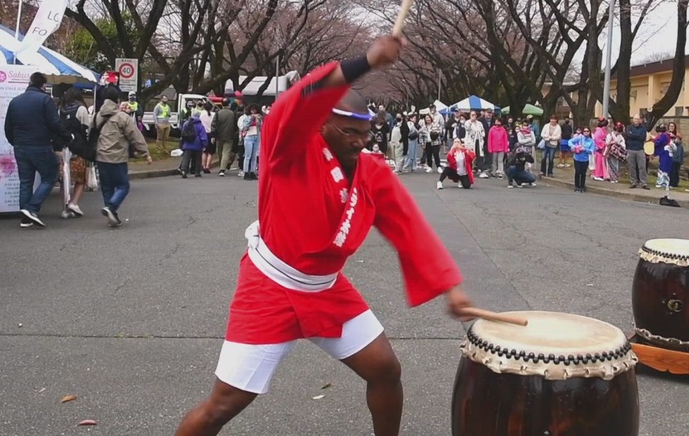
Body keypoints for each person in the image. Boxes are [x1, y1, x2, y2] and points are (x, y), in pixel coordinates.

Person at [174, 36, 473, 436]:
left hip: (327, 289)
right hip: (270, 285)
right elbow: (295, 103)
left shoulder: (372, 171)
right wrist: (365, 61)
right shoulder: (289, 151)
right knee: (223, 404)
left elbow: (409, 227)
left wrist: (449, 287)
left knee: (385, 369)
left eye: (366, 132)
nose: (360, 140)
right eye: (350, 131)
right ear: (321, 123)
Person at [3, 72, 67, 228]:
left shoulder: (15, 101)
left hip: (20, 146)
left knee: (25, 182)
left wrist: (15, 142)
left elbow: (8, 127)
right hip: (40, 145)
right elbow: (54, 123)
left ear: (30, 83)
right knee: (50, 176)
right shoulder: (45, 100)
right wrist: (67, 136)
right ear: (43, 85)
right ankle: (31, 209)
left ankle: (25, 218)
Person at [94, 86, 152, 227]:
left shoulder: (97, 116)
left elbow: (92, 135)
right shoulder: (122, 117)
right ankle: (111, 207)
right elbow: (135, 136)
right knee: (123, 186)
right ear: (117, 100)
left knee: (107, 187)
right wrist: (146, 153)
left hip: (101, 157)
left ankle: (111, 215)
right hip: (117, 158)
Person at [58, 88, 92, 218]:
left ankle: (65, 209)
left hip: (62, 148)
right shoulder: (81, 109)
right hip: (77, 148)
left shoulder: (59, 109)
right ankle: (74, 203)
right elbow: (86, 130)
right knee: (80, 179)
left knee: (64, 180)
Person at [179, 110, 209, 179]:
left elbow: (183, 134)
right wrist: (204, 144)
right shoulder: (200, 125)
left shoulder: (186, 123)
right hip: (197, 145)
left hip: (187, 144)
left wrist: (183, 142)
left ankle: (183, 170)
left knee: (186, 158)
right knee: (198, 158)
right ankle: (197, 172)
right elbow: (203, 137)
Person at [624, 116, 650, 189]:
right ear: (633, 120)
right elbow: (628, 135)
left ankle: (643, 183)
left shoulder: (643, 128)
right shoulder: (629, 127)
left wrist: (633, 135)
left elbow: (642, 137)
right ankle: (633, 182)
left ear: (640, 120)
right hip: (630, 149)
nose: (636, 120)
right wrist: (636, 136)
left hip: (640, 149)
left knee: (642, 167)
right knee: (631, 167)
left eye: (638, 119)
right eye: (635, 119)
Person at [568, 127, 595, 193]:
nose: (586, 132)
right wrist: (573, 147)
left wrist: (585, 149)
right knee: (577, 171)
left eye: (587, 131)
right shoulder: (579, 138)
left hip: (585, 159)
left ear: (589, 132)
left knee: (583, 173)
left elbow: (592, 150)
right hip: (577, 158)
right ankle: (576, 186)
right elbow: (570, 141)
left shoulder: (591, 141)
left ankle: (582, 186)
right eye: (584, 131)